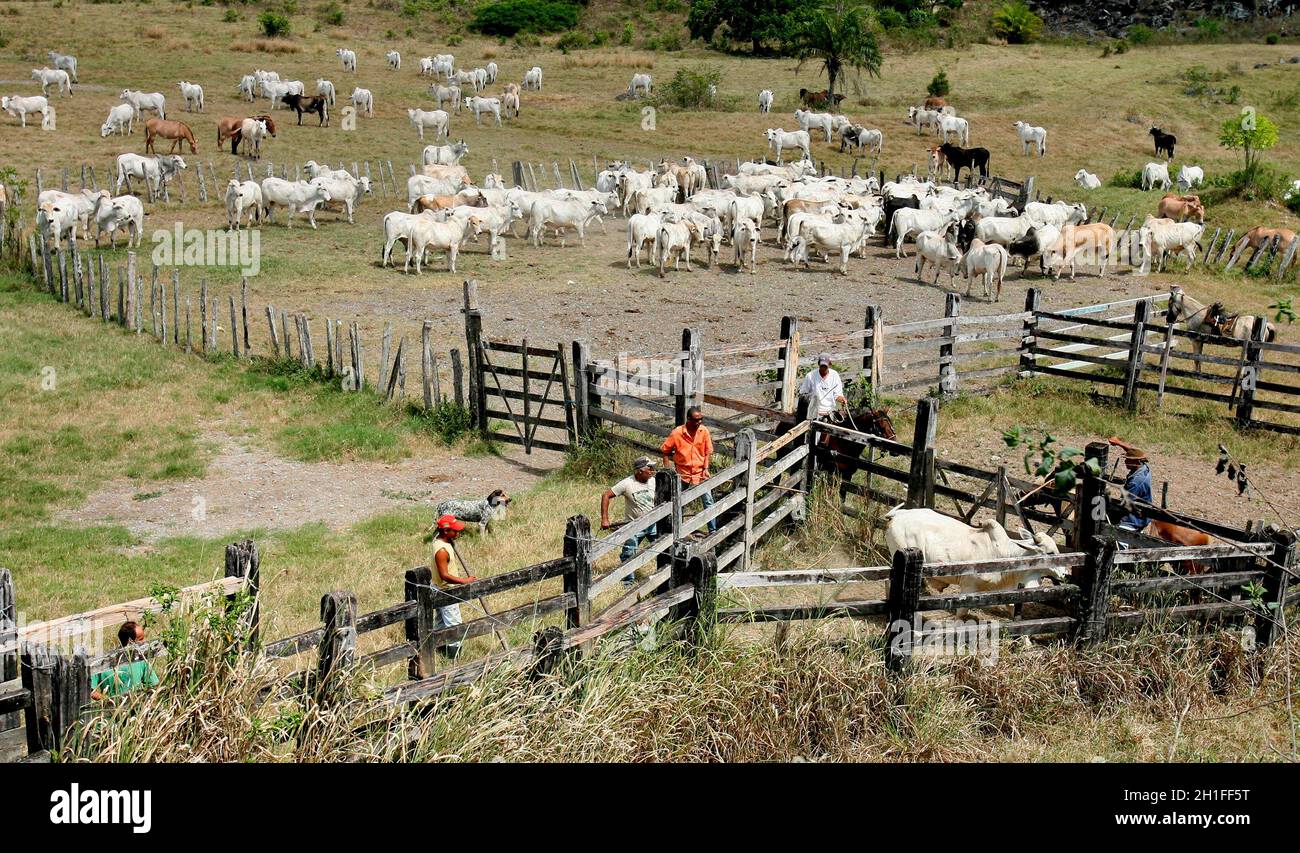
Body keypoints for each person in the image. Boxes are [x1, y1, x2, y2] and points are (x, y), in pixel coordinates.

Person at [600, 457, 658, 589]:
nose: (652, 471)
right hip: (634, 525)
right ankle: (628, 584)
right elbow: (606, 495)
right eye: (649, 468)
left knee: (664, 547)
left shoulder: (654, 482)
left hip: (653, 523)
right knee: (629, 552)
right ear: (639, 471)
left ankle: (664, 577)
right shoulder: (627, 483)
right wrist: (605, 518)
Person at [661, 405, 716, 536]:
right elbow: (665, 451)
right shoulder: (677, 433)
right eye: (696, 420)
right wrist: (668, 471)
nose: (699, 422)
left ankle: (713, 531)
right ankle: (677, 530)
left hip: (700, 473)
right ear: (688, 419)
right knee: (679, 502)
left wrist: (706, 468)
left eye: (701, 419)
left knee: (708, 501)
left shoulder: (704, 431)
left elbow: (707, 452)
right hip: (682, 474)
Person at [431, 513, 477, 659]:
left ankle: (439, 650)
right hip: (446, 590)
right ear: (445, 531)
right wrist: (465, 581)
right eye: (455, 530)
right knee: (454, 623)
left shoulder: (439, 541)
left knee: (440, 621)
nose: (458, 532)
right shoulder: (442, 551)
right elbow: (444, 575)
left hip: (437, 586)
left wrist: (451, 539)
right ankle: (453, 657)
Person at [90, 621, 159, 701]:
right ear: (130, 642)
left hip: (123, 709)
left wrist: (110, 702)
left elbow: (153, 687)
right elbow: (154, 686)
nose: (144, 641)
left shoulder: (102, 662)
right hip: (131, 709)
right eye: (141, 639)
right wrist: (111, 702)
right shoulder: (140, 661)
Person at [1108, 437, 1152, 532]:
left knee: (1118, 535)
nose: (1125, 462)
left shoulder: (1136, 482)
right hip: (1143, 511)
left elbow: (1125, 502)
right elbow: (1134, 452)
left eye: (1128, 460)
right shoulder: (1144, 467)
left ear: (1136, 462)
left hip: (1134, 518)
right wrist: (1119, 443)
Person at [799, 353, 848, 419]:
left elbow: (837, 395)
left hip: (830, 411)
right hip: (814, 412)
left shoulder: (834, 375)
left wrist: (842, 399)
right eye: (822, 366)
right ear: (818, 364)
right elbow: (803, 394)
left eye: (825, 366)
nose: (823, 368)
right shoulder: (810, 376)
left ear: (830, 364)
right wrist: (811, 400)